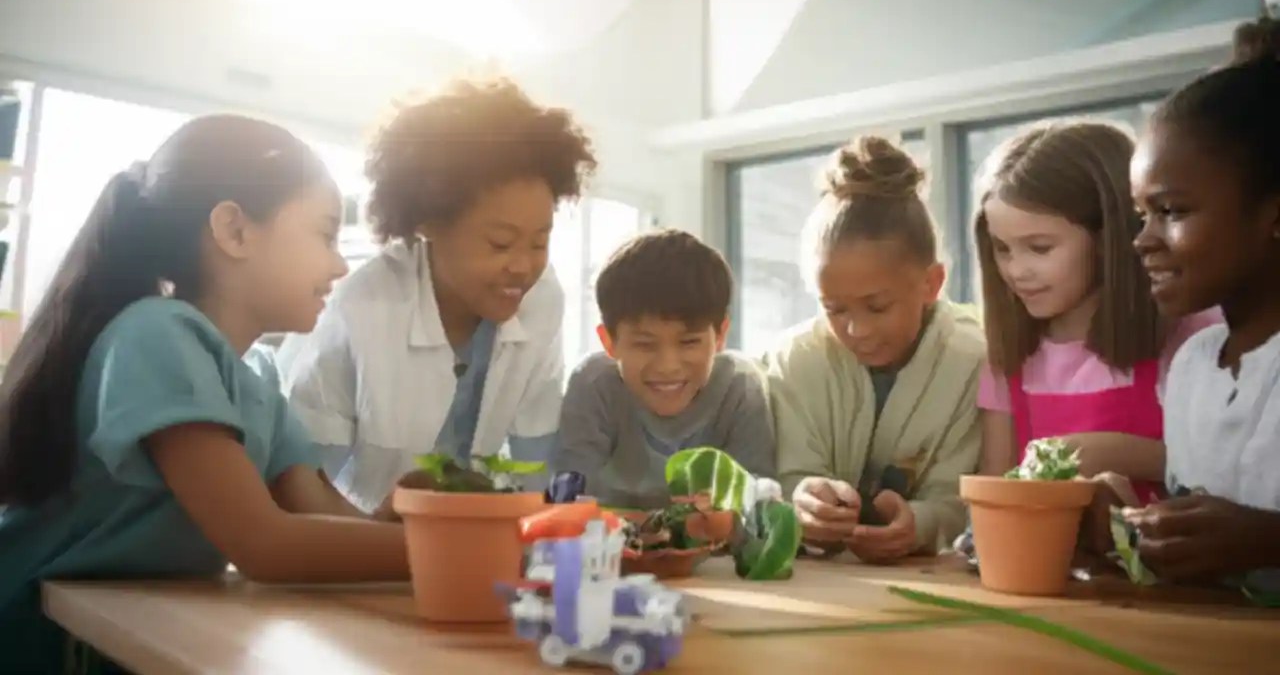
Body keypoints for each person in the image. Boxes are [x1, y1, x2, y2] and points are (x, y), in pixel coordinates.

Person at [0, 116, 409, 673]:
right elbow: (263, 544)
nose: (339, 264)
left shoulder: (257, 380)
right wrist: (480, 553)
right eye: (325, 234)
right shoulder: (155, 334)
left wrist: (415, 523)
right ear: (234, 231)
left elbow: (322, 522)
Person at [279, 78, 597, 512]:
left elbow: (536, 460)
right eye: (500, 244)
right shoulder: (364, 307)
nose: (523, 266)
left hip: (468, 534)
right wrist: (379, 542)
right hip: (359, 541)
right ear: (427, 222)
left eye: (539, 242)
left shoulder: (542, 299)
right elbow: (306, 486)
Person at [1109, 16, 1280, 586]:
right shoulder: (1192, 367)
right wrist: (1125, 530)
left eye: (1173, 211)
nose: (1143, 239)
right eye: (1142, 214)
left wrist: (1268, 541)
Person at [764, 135, 984, 563]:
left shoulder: (972, 361)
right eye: (834, 308)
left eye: (877, 306)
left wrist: (919, 524)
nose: (856, 329)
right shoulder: (794, 360)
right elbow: (785, 479)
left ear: (930, 284)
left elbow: (961, 500)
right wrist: (804, 502)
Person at [973, 120, 1218, 502]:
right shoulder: (1007, 358)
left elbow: (1221, 471)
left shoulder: (1191, 336)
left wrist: (1104, 452)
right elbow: (994, 492)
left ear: (1111, 238)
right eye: (1002, 249)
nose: (1016, 270)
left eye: (1039, 248)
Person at [552, 229, 775, 509]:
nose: (668, 366)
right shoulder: (594, 386)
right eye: (645, 344)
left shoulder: (740, 389)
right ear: (609, 341)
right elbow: (569, 499)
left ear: (720, 336)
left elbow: (758, 505)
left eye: (689, 342)